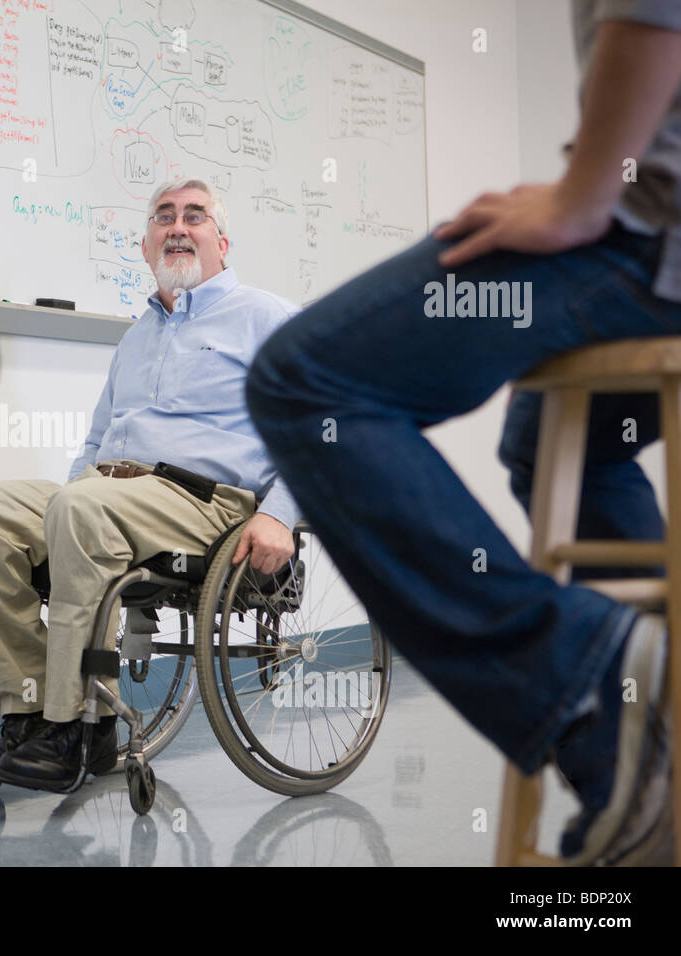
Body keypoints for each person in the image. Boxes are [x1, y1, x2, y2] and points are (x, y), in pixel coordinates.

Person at [245, 0, 680, 865]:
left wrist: (583, 196)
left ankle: (599, 687)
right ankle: (651, 731)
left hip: (652, 236)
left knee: (304, 381)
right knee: (551, 435)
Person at [0, 179, 299, 791]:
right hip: (109, 491)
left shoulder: (264, 317)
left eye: (195, 215)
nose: (178, 226)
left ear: (223, 240)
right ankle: (29, 714)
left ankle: (83, 726)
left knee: (84, 508)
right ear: (145, 244)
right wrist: (66, 503)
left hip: (204, 503)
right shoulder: (137, 336)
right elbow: (95, 441)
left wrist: (283, 513)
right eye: (164, 217)